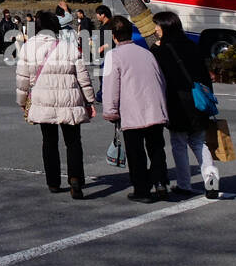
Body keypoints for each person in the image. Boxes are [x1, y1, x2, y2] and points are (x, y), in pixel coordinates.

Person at [16, 10, 96, 199]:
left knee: (49, 142)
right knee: (73, 142)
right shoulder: (68, 46)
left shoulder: (29, 47)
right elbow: (83, 77)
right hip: (70, 99)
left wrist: (22, 102)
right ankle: (75, 178)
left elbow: (22, 79)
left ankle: (53, 181)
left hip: (43, 100)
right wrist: (89, 100)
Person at [151, 11, 219, 199]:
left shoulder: (160, 50)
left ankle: (184, 184)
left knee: (179, 144)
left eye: (157, 25)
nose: (155, 29)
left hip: (177, 101)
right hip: (198, 100)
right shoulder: (191, 45)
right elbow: (204, 74)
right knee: (199, 142)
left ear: (165, 27)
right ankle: (211, 178)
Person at [102, 14, 169, 201]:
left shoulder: (113, 56)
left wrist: (111, 111)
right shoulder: (146, 52)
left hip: (132, 110)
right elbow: (160, 80)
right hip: (155, 107)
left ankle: (142, 190)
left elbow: (110, 86)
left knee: (136, 152)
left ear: (114, 36)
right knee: (156, 148)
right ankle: (161, 182)